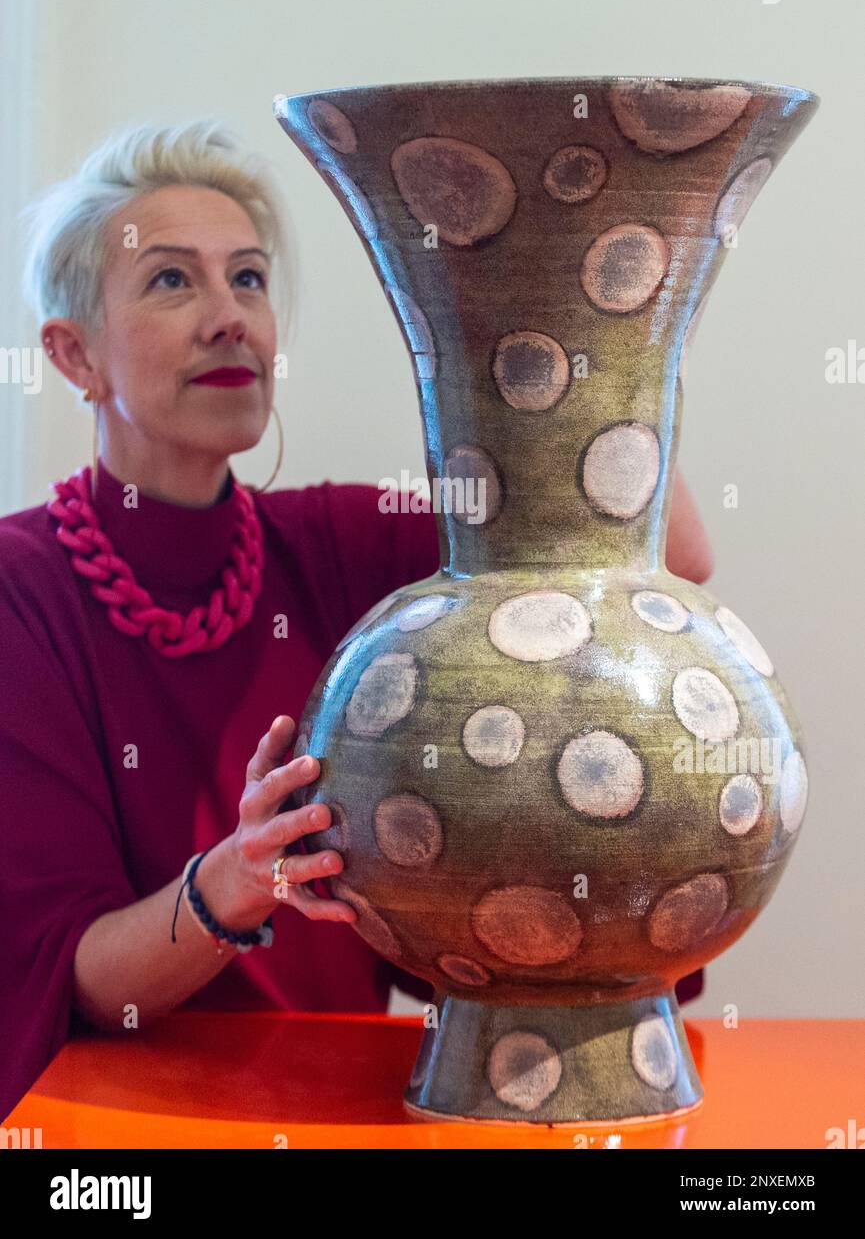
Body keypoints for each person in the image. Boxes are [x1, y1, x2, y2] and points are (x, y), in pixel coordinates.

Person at [0, 120, 713, 1121]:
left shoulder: (335, 540)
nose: (228, 318)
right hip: (125, 1121)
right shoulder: (19, 589)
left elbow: (655, 562)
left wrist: (590, 321)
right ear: (74, 354)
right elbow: (71, 981)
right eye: (171, 282)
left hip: (344, 1109)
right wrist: (233, 883)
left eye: (247, 279)